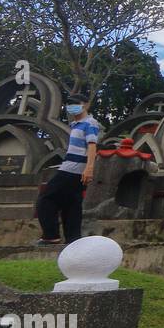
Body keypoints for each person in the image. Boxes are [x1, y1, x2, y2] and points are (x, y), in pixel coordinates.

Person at [35, 93, 101, 245]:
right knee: (71, 203)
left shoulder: (89, 123)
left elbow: (92, 146)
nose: (71, 107)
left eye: (75, 103)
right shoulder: (75, 125)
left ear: (85, 104)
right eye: (69, 104)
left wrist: (89, 168)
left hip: (72, 169)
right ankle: (73, 239)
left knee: (46, 198)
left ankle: (51, 235)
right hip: (72, 168)